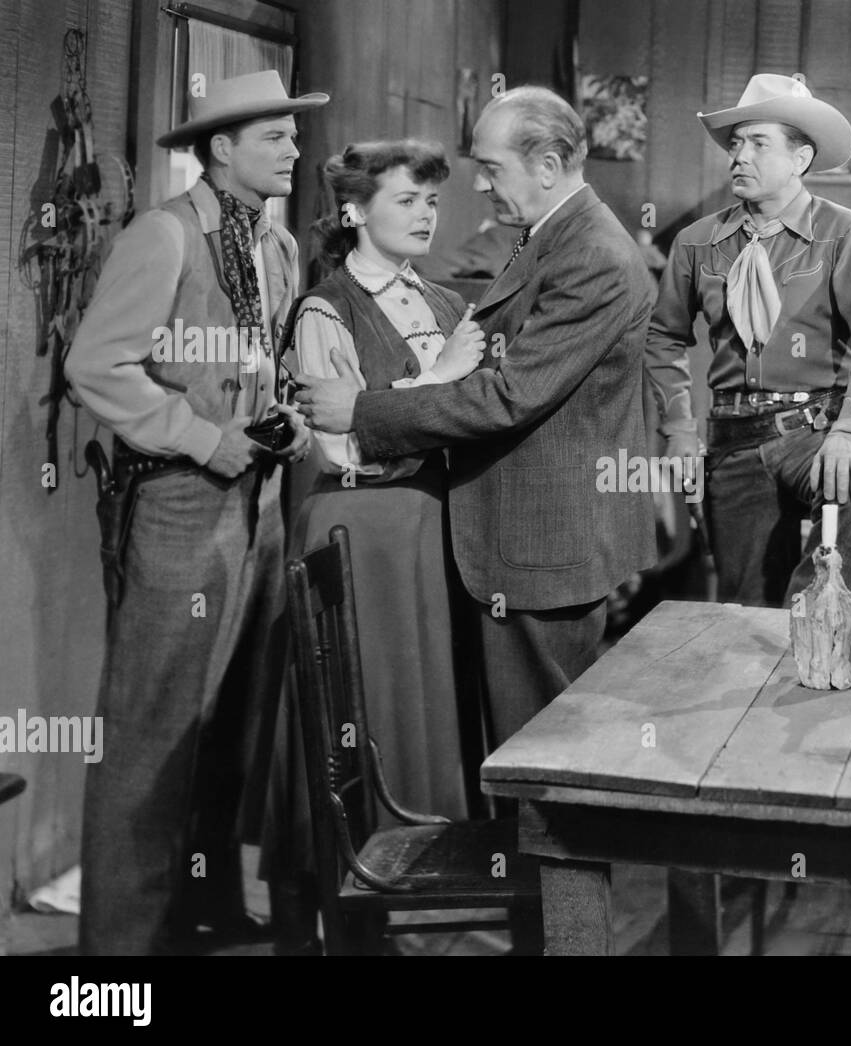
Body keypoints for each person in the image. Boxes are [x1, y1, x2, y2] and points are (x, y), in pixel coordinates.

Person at [292, 86, 657, 753]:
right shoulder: (544, 239)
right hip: (519, 540)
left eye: (491, 168)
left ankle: (546, 864)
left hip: (541, 545)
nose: (480, 186)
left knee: (540, 758)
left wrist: (363, 410)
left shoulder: (591, 255)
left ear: (546, 165)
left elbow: (507, 397)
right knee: (524, 752)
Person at [65, 70, 326, 954]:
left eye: (294, 133)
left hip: (256, 504)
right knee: (149, 734)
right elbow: (96, 366)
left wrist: (283, 423)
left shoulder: (276, 245)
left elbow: (266, 361)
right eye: (275, 136)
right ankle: (113, 963)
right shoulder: (164, 237)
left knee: (228, 723)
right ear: (222, 148)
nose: (294, 148)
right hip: (179, 502)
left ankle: (196, 914)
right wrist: (196, 436)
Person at [259, 139, 488, 953]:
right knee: (368, 708)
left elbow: (471, 416)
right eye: (406, 200)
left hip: (432, 524)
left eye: (432, 200)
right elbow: (347, 446)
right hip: (363, 526)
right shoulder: (327, 308)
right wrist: (440, 381)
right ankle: (363, 892)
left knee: (432, 699)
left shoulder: (449, 303)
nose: (426, 214)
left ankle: (430, 879)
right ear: (356, 210)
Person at [645, 74, 851, 607]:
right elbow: (662, 338)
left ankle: (813, 620)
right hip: (733, 438)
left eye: (757, 143)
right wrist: (678, 430)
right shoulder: (698, 243)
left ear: (801, 158)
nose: (738, 156)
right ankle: (766, 653)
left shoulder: (846, 233)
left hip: (815, 430)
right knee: (745, 607)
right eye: (735, 143)